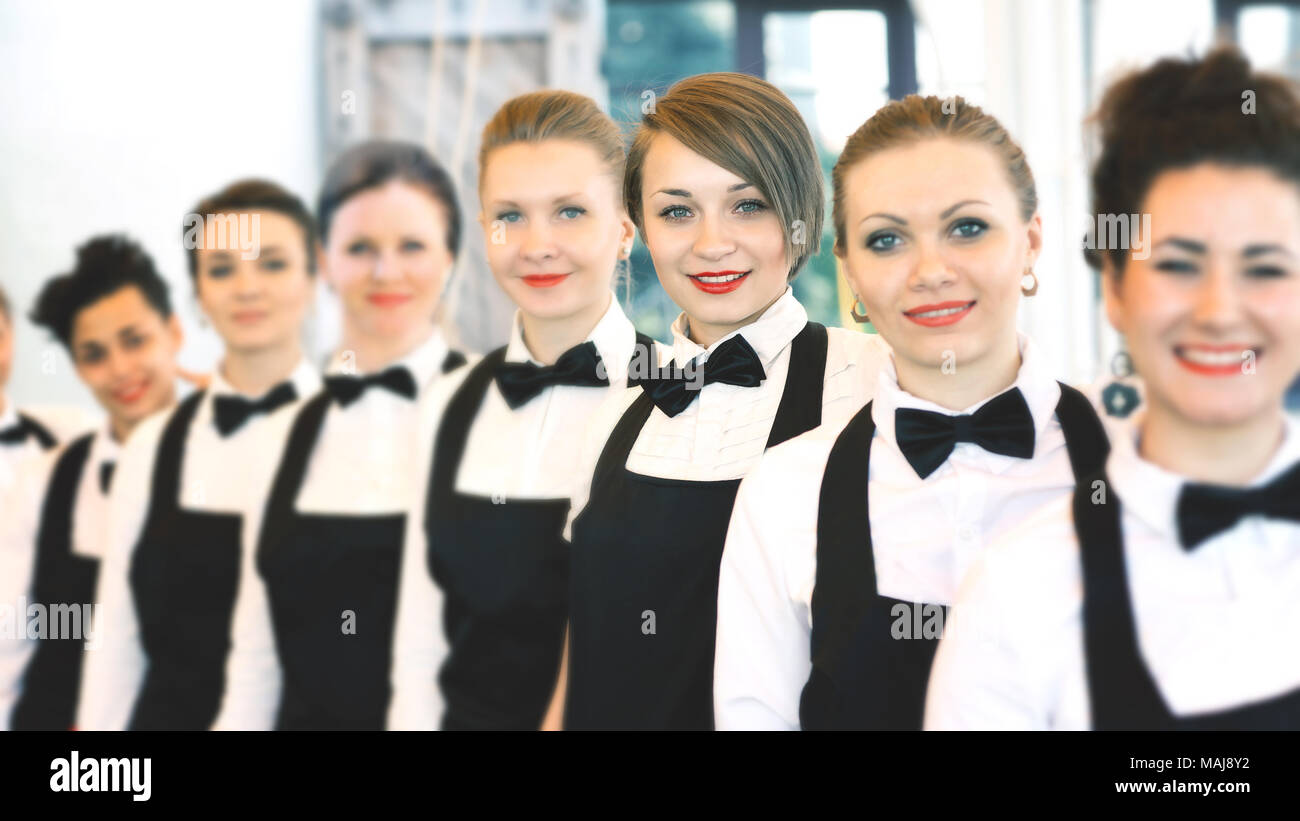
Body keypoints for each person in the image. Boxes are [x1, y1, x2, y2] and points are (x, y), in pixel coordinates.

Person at [925, 48, 1300, 730]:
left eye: (1265, 267)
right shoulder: (1016, 598)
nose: (1219, 309)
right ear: (1117, 289)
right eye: (1180, 264)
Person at [713, 94, 1110, 730]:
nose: (930, 271)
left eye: (967, 228)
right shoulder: (787, 490)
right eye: (887, 239)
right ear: (851, 274)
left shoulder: (1141, 465)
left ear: (1031, 243)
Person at [555, 72, 891, 730]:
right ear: (641, 228)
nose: (711, 243)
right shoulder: (608, 404)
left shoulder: (873, 383)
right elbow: (584, 641)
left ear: (801, 216)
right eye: (677, 210)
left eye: (748, 204)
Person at [389, 89, 653, 730]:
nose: (537, 244)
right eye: (510, 215)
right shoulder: (445, 404)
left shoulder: (680, 395)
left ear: (624, 228)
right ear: (483, 231)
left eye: (569, 212)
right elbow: (418, 645)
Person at [219, 141, 467, 730]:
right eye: (360, 249)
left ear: (451, 256)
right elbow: (254, 662)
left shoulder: (495, 413)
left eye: (412, 246)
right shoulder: (278, 427)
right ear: (323, 260)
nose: (387, 272)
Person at [76, 181, 322, 730]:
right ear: (197, 297)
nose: (246, 287)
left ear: (314, 277)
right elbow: (116, 642)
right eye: (221, 268)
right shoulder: (152, 446)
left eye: (273, 264)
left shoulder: (356, 439)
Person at [2, 235, 183, 730]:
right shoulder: (46, 478)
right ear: (78, 368)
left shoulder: (232, 460)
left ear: (174, 333)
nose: (120, 369)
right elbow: (10, 644)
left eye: (135, 340)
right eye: (94, 354)